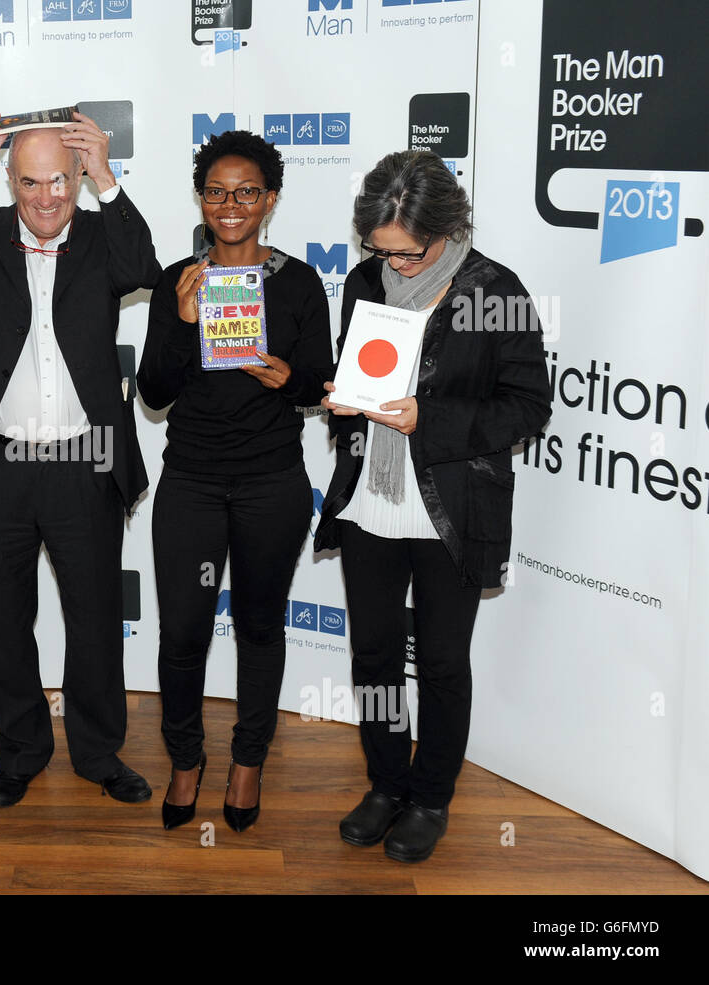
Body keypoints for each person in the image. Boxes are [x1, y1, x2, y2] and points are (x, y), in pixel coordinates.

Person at [0, 111, 161, 807]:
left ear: (78, 175)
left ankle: (99, 751)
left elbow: (147, 270)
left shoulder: (105, 235)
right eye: (28, 183)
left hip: (87, 459)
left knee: (94, 616)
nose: (46, 197)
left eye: (59, 180)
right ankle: (20, 749)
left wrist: (109, 179)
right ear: (8, 180)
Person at [314, 150, 551, 862]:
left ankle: (431, 795)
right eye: (382, 250)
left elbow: (528, 405)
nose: (396, 264)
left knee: (443, 662)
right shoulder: (363, 282)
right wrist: (343, 403)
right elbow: (359, 375)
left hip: (451, 507)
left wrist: (432, 419)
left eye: (410, 252)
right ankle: (386, 783)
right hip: (371, 503)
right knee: (375, 655)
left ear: (449, 226)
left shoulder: (496, 289)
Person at [137, 131, 333, 833]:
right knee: (183, 631)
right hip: (190, 480)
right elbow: (153, 391)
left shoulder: (301, 282)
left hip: (271, 482)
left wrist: (291, 379)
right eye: (217, 191)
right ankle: (185, 758)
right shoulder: (176, 280)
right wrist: (187, 324)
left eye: (246, 191)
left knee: (259, 625)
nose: (230, 204)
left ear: (270, 200)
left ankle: (248, 761)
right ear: (201, 198)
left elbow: (320, 381)